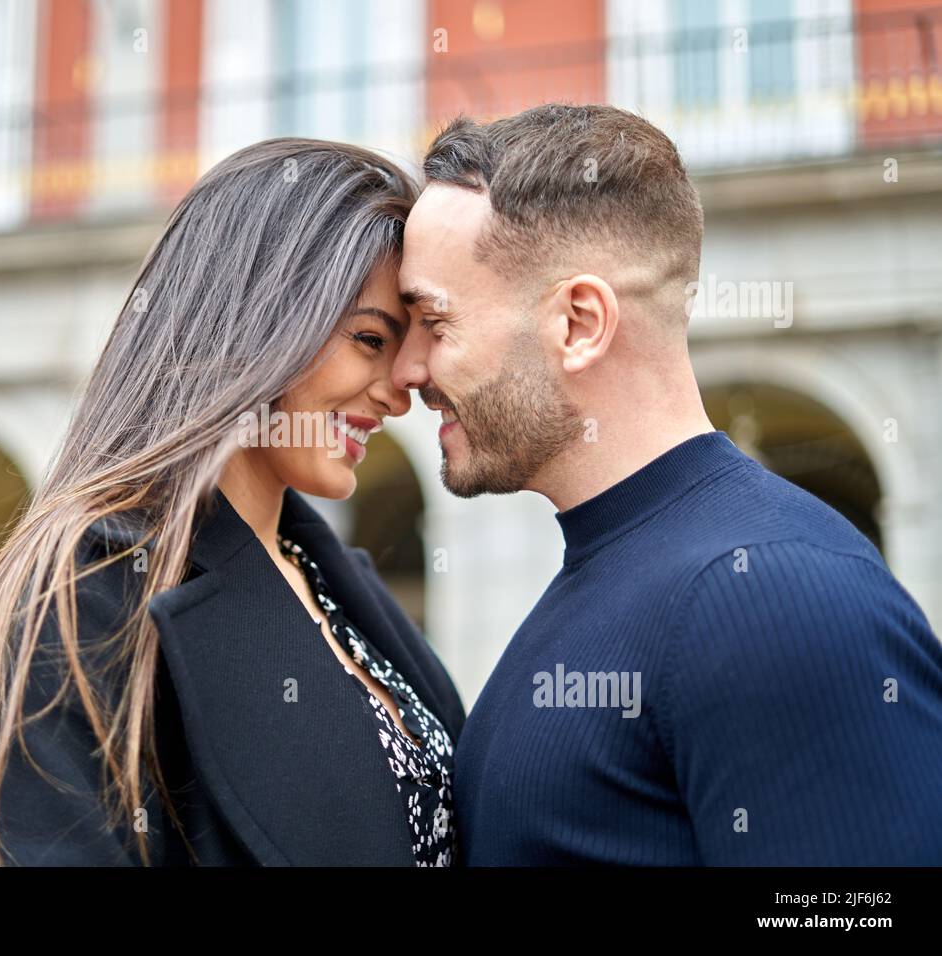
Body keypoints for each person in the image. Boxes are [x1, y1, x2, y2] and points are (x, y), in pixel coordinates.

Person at [392, 103, 942, 864]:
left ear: (579, 323)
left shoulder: (770, 595)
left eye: (435, 323)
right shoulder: (616, 567)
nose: (407, 370)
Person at [0, 139, 465, 867]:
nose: (399, 389)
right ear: (256, 317)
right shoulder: (88, 583)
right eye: (368, 339)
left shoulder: (342, 583)